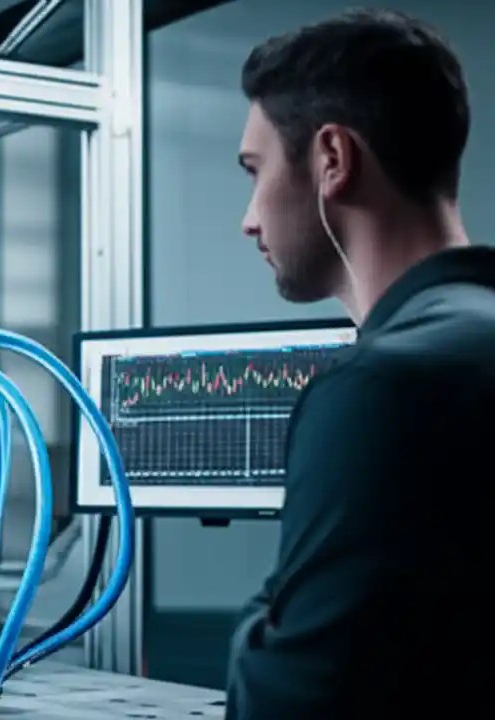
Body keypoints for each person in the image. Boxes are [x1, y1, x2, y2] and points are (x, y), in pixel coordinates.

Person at [229, 8, 493, 718]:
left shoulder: (380, 390)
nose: (249, 218)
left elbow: (281, 699)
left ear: (333, 161)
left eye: (256, 172)